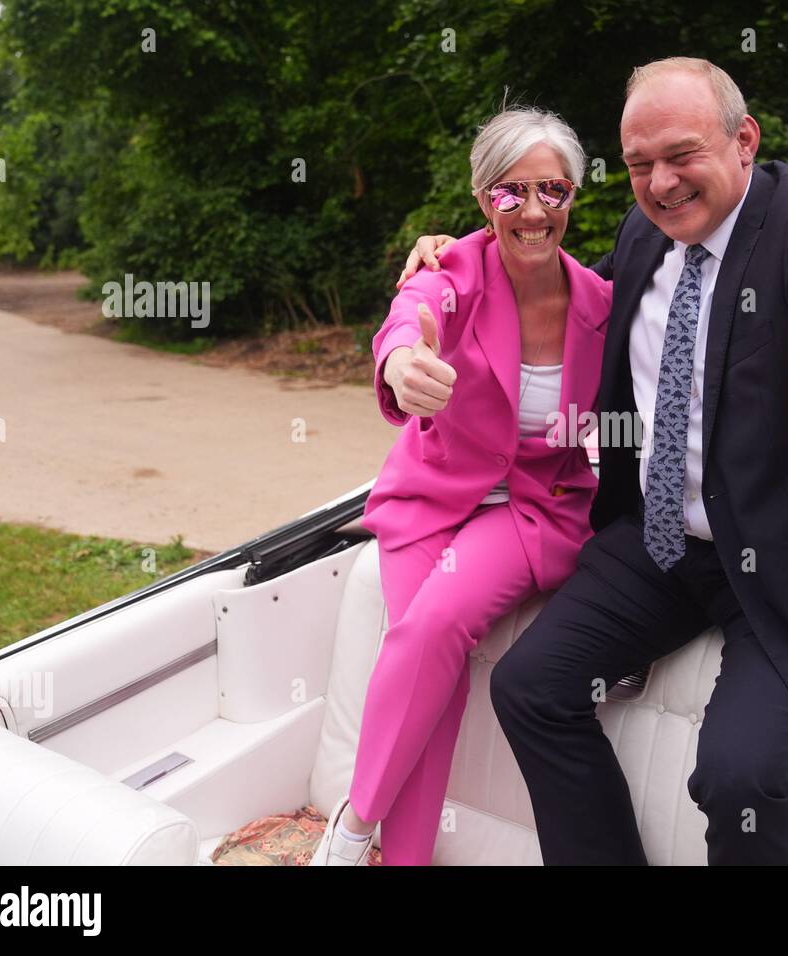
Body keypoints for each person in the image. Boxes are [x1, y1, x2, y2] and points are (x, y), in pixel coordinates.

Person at [396, 57, 788, 865]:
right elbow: (563, 289)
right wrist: (462, 258)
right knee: (529, 690)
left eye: (681, 154)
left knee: (737, 773)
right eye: (639, 164)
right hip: (660, 545)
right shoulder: (643, 230)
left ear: (744, 140)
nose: (659, 182)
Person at [308, 106, 612, 865]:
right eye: (511, 193)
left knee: (432, 625)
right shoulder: (452, 273)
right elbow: (410, 322)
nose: (534, 212)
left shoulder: (602, 304)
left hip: (533, 510)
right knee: (429, 687)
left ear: (574, 194)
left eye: (553, 191)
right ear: (484, 199)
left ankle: (349, 831)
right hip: (429, 501)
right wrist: (402, 365)